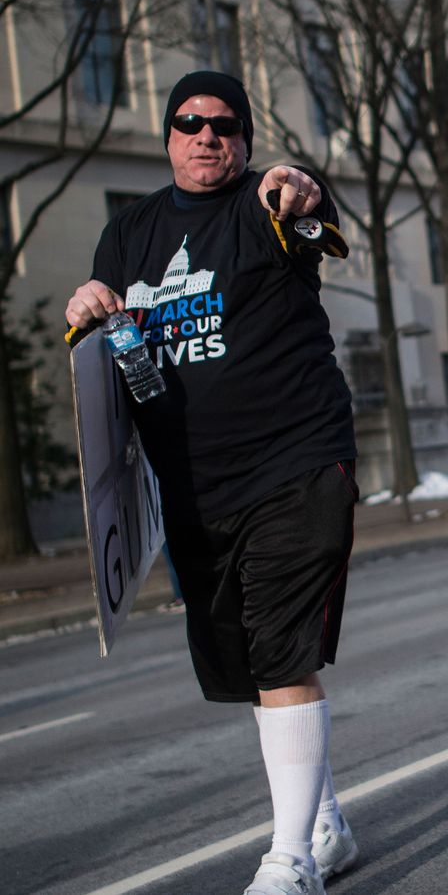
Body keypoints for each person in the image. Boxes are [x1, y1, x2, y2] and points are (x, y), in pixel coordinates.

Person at [65, 71, 359, 895]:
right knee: (248, 667)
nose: (207, 137)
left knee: (280, 651)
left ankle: (290, 858)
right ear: (167, 135)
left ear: (246, 137)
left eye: (225, 126)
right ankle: (328, 822)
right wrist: (95, 311)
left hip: (297, 463)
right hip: (192, 486)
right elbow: (121, 357)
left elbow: (305, 203)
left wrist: (299, 192)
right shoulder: (129, 232)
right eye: (190, 124)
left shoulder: (268, 206)